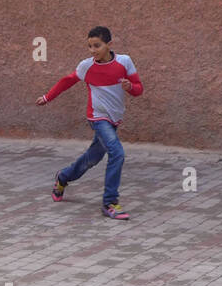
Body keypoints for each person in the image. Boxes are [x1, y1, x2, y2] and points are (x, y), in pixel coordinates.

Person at [36, 25, 144, 219]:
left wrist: (130, 87)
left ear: (109, 45)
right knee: (117, 152)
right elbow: (66, 81)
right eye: (90, 46)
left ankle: (63, 178)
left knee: (92, 158)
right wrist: (47, 97)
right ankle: (110, 203)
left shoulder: (124, 62)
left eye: (97, 45)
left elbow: (139, 89)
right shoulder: (87, 66)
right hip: (97, 118)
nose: (93, 50)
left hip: (114, 119)